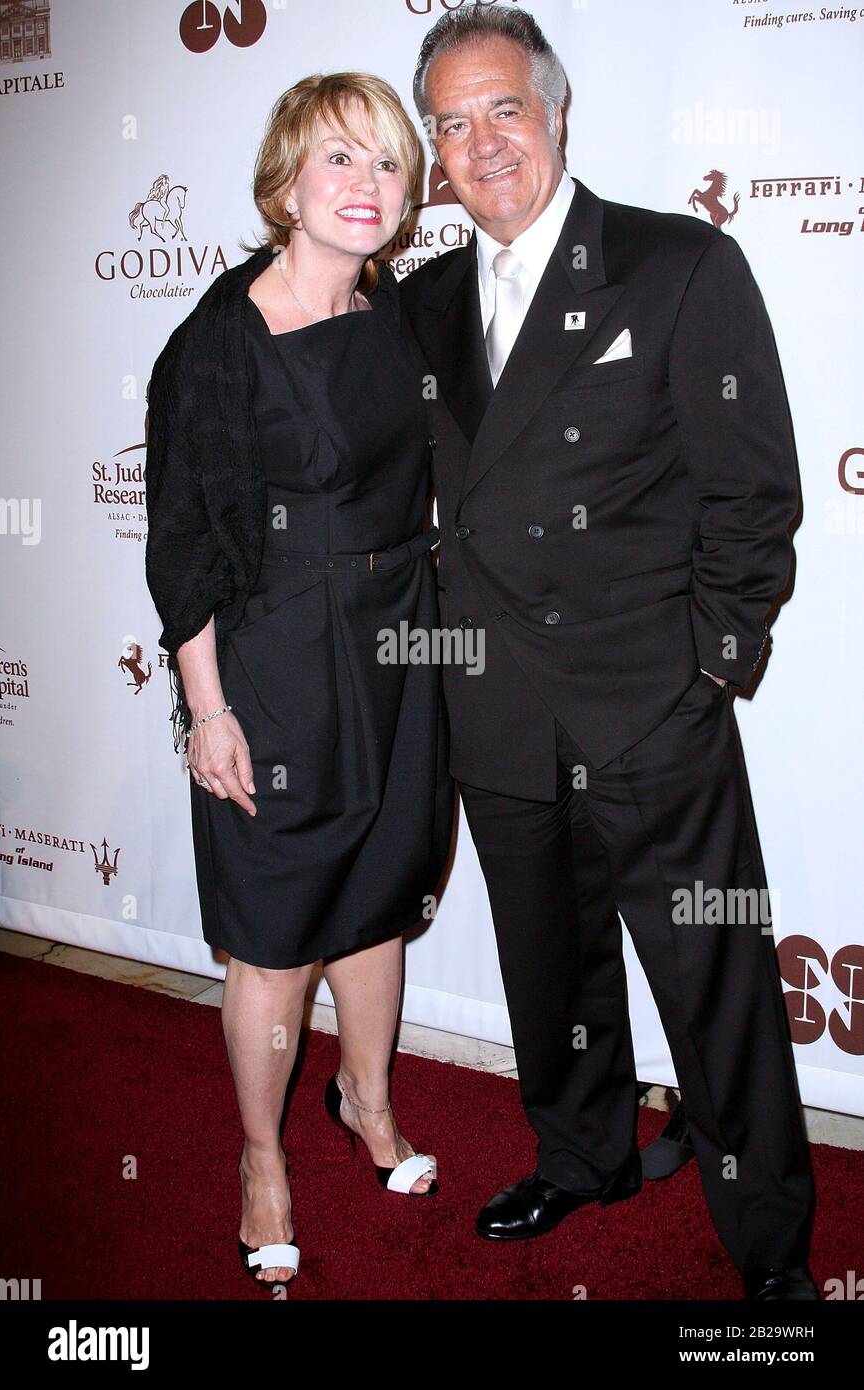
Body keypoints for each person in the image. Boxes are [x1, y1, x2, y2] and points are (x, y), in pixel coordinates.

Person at [401, 5, 817, 1300]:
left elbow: (753, 494)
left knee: (717, 989)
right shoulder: (410, 308)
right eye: (450, 124)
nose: (481, 143)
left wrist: (708, 669)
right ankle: (580, 1153)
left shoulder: (671, 264)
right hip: (497, 718)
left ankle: (770, 1251)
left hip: (647, 708)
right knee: (549, 968)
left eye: (501, 109)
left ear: (556, 111)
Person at [145, 73, 454, 1288]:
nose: (368, 185)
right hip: (273, 659)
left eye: (386, 163)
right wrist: (206, 707)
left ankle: (367, 1105)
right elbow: (182, 542)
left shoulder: (404, 315)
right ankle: (261, 1155)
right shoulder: (217, 343)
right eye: (340, 160)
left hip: (397, 648)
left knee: (376, 897)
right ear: (285, 182)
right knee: (276, 931)